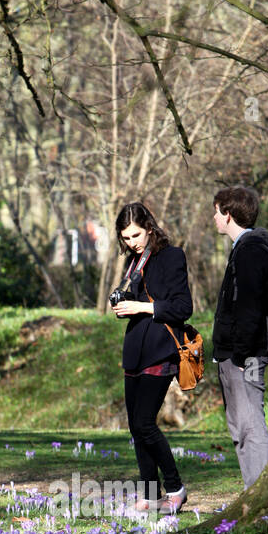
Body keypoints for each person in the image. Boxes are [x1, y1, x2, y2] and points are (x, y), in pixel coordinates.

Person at [112, 202, 193, 515]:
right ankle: (149, 494)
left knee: (146, 422)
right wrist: (123, 305)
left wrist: (143, 308)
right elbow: (136, 303)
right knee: (135, 426)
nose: (133, 242)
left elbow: (182, 307)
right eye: (126, 238)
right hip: (135, 349)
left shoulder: (172, 256)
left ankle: (175, 487)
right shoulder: (133, 263)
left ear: (149, 227)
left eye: (136, 234)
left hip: (160, 349)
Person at [211, 185, 268, 491]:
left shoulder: (250, 252)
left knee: (250, 426)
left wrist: (239, 356)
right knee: (240, 427)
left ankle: (261, 493)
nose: (214, 217)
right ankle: (253, 493)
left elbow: (249, 309)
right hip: (236, 356)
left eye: (216, 211)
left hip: (245, 358)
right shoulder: (244, 248)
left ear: (228, 214)